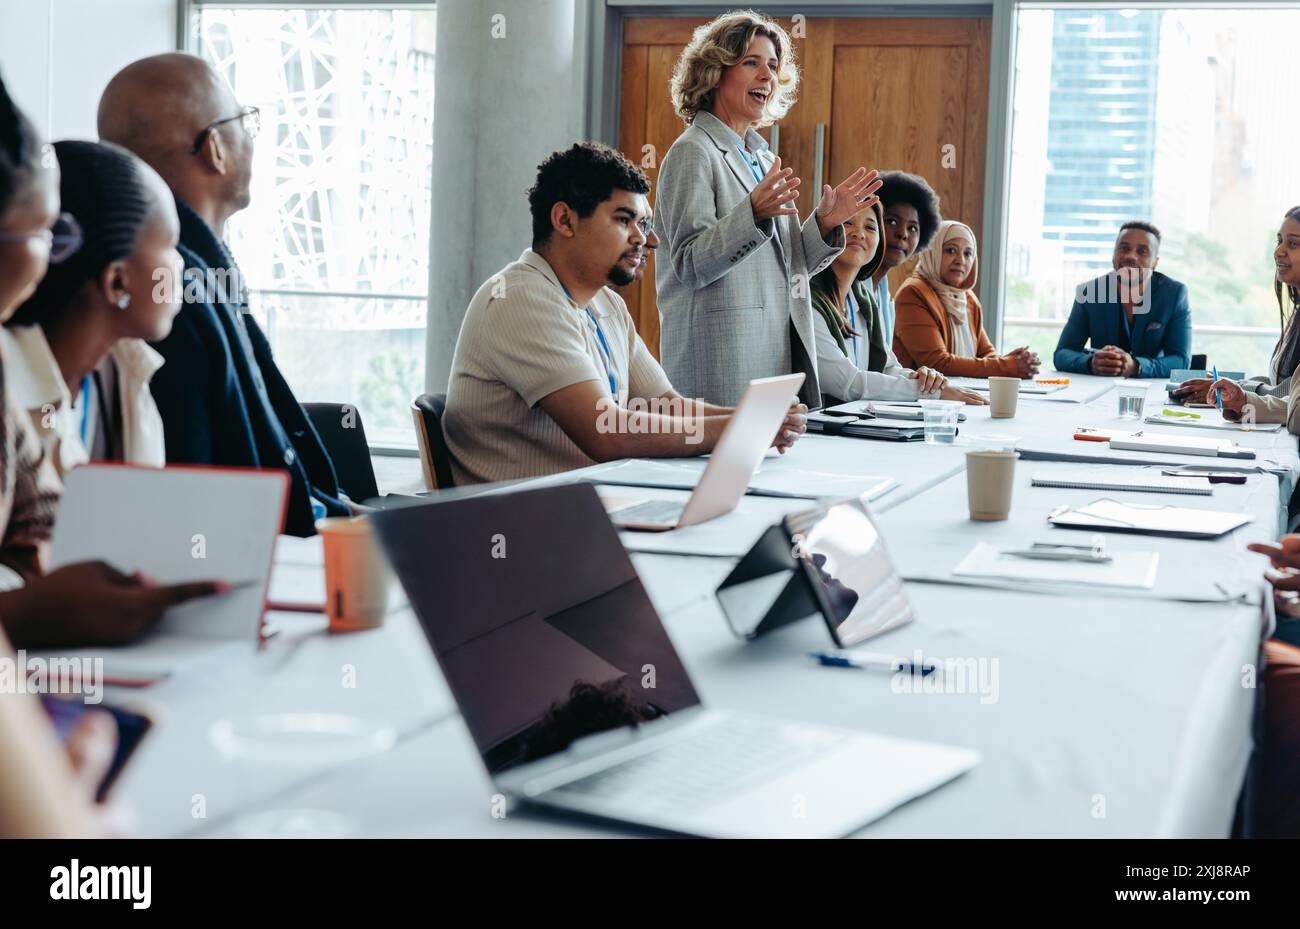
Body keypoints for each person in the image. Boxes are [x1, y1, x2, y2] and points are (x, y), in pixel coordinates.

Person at [0, 75, 223, 648]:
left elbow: (43, 527)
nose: (56, 249)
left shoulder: (131, 373)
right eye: (45, 230)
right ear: (117, 280)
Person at [443, 142, 806, 486]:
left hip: (587, 508)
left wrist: (757, 419)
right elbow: (607, 431)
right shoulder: (521, 300)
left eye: (644, 224)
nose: (649, 240)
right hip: (516, 525)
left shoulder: (606, 303)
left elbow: (666, 406)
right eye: (624, 220)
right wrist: (746, 429)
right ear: (565, 221)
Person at [97, 53, 351, 536]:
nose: (252, 137)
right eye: (244, 120)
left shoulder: (196, 277)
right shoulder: (172, 297)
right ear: (214, 147)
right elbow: (204, 497)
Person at [653, 10, 880, 407]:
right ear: (715, 72)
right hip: (720, 366)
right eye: (751, 63)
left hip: (773, 358)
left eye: (773, 66)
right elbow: (687, 263)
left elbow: (790, 265)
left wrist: (825, 223)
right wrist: (752, 214)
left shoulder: (761, 157)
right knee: (723, 472)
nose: (767, 76)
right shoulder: (693, 151)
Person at [5, 140, 179, 475]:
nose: (182, 264)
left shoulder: (128, 370)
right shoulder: (8, 387)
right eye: (170, 246)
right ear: (117, 282)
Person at [809, 200, 984, 406]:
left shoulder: (863, 300)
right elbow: (848, 383)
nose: (859, 233)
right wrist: (931, 392)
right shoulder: (810, 302)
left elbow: (887, 366)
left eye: (870, 227)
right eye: (847, 223)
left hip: (855, 421)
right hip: (816, 429)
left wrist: (926, 380)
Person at [1174, 207, 1300, 429]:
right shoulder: (1296, 314)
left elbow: (1289, 393)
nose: (1278, 251)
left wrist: (1243, 397)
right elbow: (1278, 385)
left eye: (1293, 243)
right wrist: (1235, 390)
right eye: (1279, 240)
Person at [893, 220, 1040, 378]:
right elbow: (937, 363)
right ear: (932, 251)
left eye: (968, 253)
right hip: (919, 400)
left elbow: (986, 354)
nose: (960, 260)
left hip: (956, 396)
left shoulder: (967, 298)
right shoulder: (913, 294)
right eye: (950, 250)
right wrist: (1006, 365)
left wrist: (1009, 361)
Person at [1053, 221, 1192, 378]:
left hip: (1150, 390)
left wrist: (1136, 366)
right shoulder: (1089, 292)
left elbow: (1181, 360)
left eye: (1142, 251)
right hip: (1098, 389)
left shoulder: (1174, 294)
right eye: (1124, 248)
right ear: (1113, 256)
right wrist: (1090, 362)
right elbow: (1062, 354)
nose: (1131, 256)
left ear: (1155, 262)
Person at [871, 171, 942, 348]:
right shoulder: (847, 288)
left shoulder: (885, 297)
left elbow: (886, 362)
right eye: (892, 221)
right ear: (872, 223)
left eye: (912, 228)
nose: (903, 233)